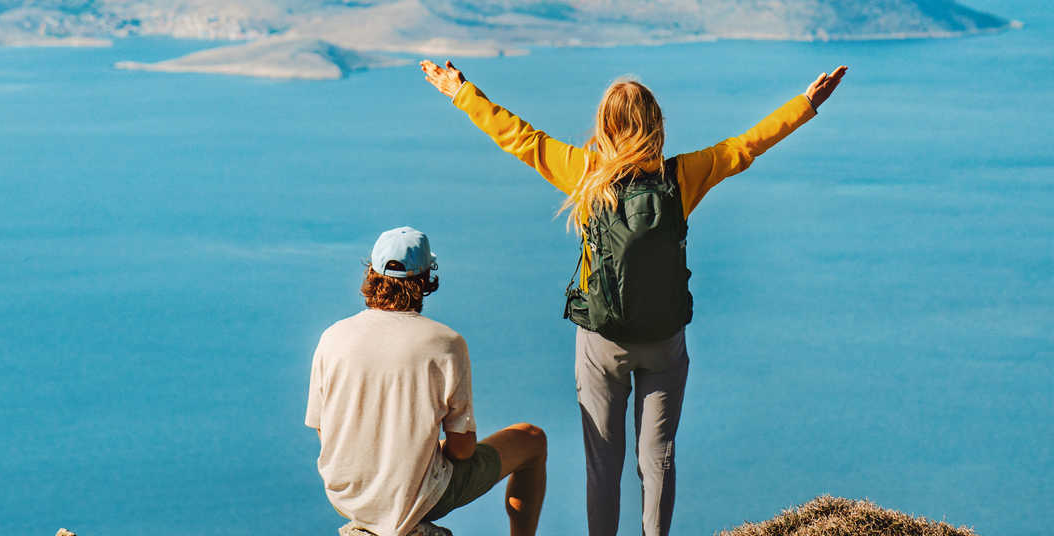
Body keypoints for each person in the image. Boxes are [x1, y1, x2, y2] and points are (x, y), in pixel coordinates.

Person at [420, 61, 846, 536]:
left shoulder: (585, 174)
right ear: (656, 124)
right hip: (664, 340)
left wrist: (460, 91)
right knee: (657, 456)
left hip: (602, 341)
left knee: (604, 463)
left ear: (604, 126)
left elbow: (520, 137)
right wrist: (805, 104)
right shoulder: (682, 177)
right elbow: (744, 147)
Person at [306, 226, 548, 536]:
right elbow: (462, 450)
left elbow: (324, 431)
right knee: (532, 439)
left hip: (345, 495)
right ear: (424, 279)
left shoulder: (332, 337)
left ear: (372, 273)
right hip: (418, 496)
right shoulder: (446, 343)